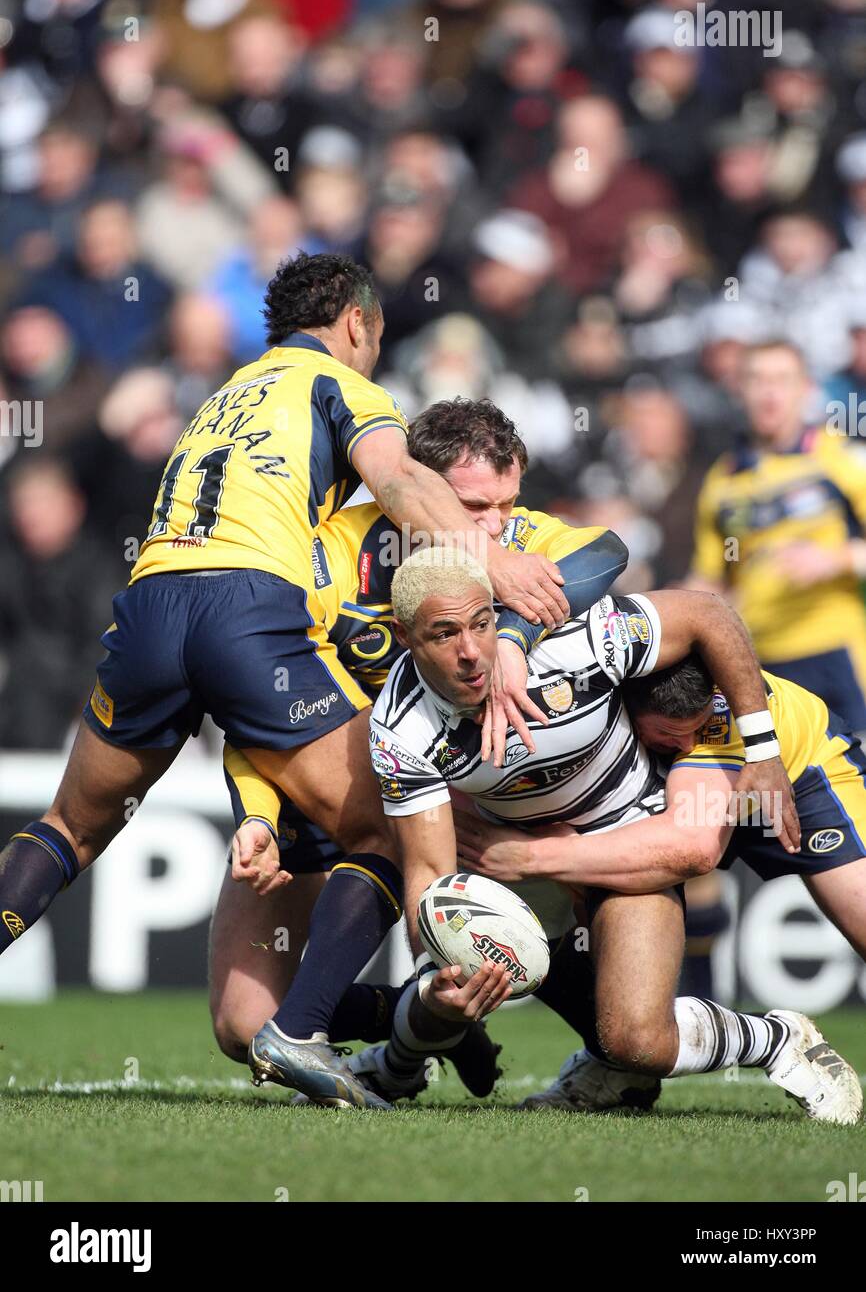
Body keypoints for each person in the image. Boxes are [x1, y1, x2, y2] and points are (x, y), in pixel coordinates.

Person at [0, 253, 568, 1112]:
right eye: (374, 337)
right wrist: (493, 559)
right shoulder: (340, 385)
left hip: (151, 600)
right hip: (246, 603)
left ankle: (391, 1023)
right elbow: (402, 476)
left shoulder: (223, 395)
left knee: (71, 829)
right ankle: (304, 1030)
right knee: (386, 819)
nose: (373, 353)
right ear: (355, 324)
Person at [348, 548, 858, 1126]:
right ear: (404, 637)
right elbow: (427, 872)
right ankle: (395, 1068)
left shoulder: (573, 644)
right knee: (446, 985)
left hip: (625, 840)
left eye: (482, 624)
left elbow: (707, 614)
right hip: (521, 857)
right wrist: (430, 965)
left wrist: (763, 750)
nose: (470, 651)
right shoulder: (398, 725)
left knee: (638, 1040)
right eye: (443, 634)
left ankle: (776, 1038)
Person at [211, 397, 627, 1084]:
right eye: (473, 509)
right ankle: (416, 1017)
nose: (497, 527)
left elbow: (605, 551)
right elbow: (258, 713)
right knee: (238, 1026)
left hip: (447, 800)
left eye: (508, 503)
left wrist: (519, 633)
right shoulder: (330, 558)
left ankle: (622, 1046)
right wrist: (256, 812)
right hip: (325, 790)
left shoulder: (514, 543)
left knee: (619, 1025)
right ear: (416, 493)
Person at [459, 655, 866, 1122]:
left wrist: (533, 857)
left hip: (801, 779)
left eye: (692, 730)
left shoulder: (708, 730)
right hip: (673, 805)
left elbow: (692, 851)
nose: (687, 743)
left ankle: (787, 1041)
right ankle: (619, 1064)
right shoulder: (595, 689)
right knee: (555, 911)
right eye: (671, 736)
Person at [689, 338, 866, 732]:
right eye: (758, 380)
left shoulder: (840, 456)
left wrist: (836, 558)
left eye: (783, 380)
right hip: (757, 665)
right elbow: (711, 579)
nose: (770, 393)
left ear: (805, 389)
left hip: (837, 651)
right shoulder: (723, 480)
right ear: (740, 388)